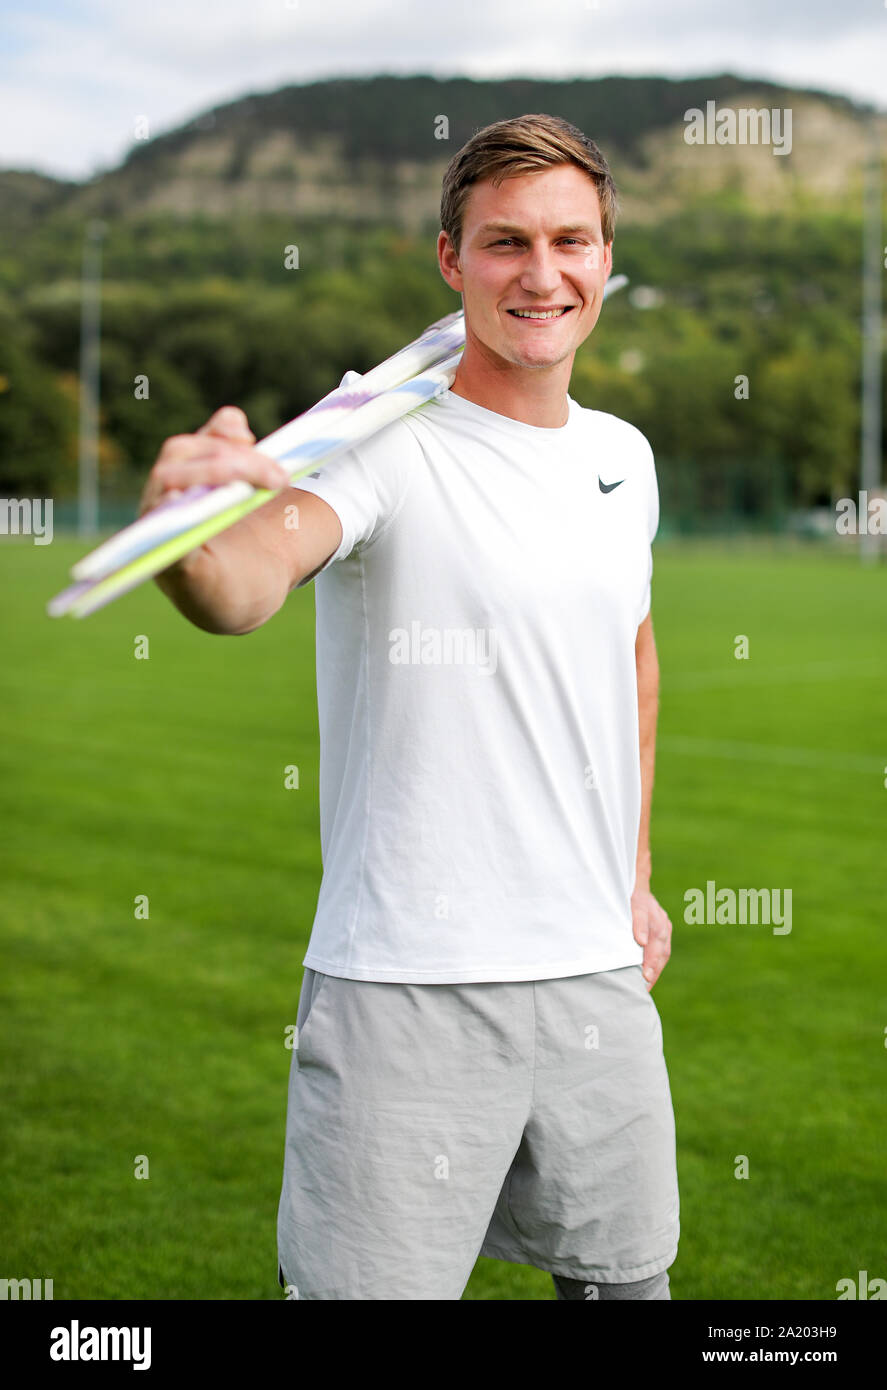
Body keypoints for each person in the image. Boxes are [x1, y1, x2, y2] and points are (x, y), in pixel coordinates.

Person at [140, 113, 679, 1301]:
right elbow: (243, 586)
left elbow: (628, 662)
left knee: (631, 1284)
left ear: (603, 260)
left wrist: (631, 873)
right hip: (404, 987)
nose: (541, 274)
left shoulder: (623, 458)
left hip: (593, 979)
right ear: (449, 260)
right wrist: (184, 535)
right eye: (503, 244)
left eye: (569, 241)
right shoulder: (378, 444)